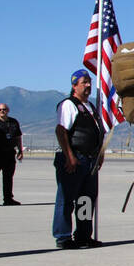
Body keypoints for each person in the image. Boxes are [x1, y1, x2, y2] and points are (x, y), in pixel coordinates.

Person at [53, 70, 104, 249]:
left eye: (89, 82)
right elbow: (61, 131)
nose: (88, 85)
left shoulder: (91, 107)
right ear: (74, 85)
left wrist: (100, 153)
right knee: (66, 198)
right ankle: (63, 236)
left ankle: (83, 235)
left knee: (86, 199)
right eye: (84, 82)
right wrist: (70, 156)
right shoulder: (69, 105)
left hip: (90, 161)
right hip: (74, 158)